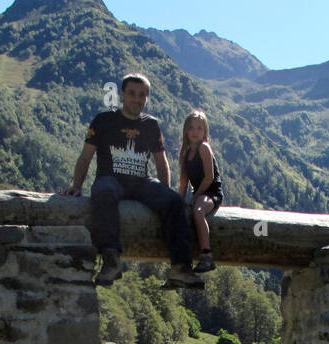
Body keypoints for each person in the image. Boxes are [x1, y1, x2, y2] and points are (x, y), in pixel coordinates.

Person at [65, 73, 202, 289]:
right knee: (103, 192)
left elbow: (160, 160)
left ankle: (180, 268)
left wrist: (165, 192)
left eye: (142, 95)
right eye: (132, 94)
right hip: (111, 180)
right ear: (122, 94)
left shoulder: (151, 125)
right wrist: (76, 186)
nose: (137, 99)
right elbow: (85, 156)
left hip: (142, 183)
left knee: (175, 202)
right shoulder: (104, 121)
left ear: (147, 98)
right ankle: (111, 260)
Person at [177, 110, 223, 273]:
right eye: (191, 128)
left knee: (198, 211)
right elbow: (183, 184)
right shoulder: (185, 153)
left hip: (211, 192)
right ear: (186, 131)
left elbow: (209, 177)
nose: (195, 132)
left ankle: (206, 255)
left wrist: (195, 197)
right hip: (199, 193)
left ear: (205, 131)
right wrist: (178, 203)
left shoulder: (204, 148)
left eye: (199, 128)